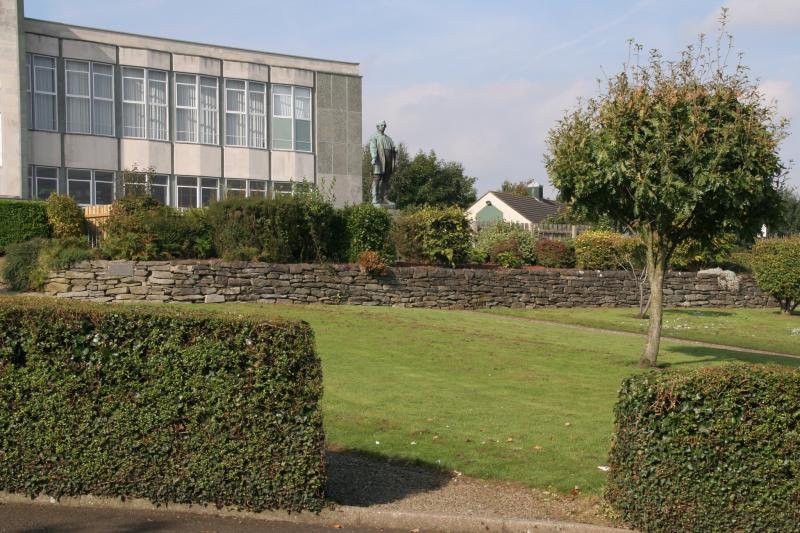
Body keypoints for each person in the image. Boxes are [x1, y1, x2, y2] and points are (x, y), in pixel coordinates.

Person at [368, 120, 396, 206]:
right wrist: (373, 157)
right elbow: (373, 147)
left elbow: (393, 149)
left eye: (384, 125)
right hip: (379, 160)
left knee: (386, 180)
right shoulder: (374, 136)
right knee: (377, 179)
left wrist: (395, 155)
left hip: (388, 160)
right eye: (381, 125)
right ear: (378, 126)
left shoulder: (388, 138)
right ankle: (375, 198)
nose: (383, 127)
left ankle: (385, 198)